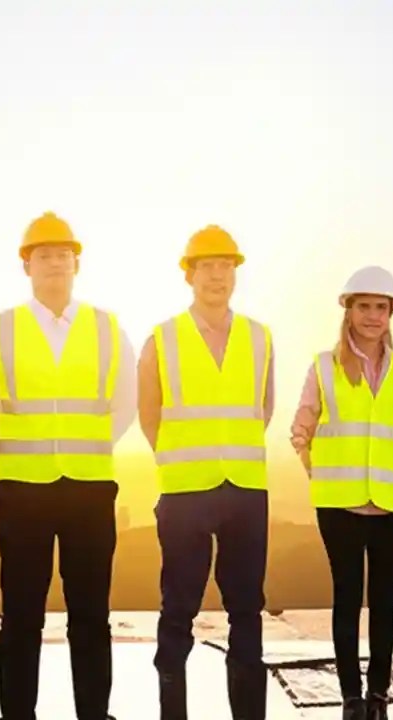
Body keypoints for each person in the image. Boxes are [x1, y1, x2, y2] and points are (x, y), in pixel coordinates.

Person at [0, 211, 136, 720]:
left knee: (91, 614)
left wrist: (83, 449)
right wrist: (25, 454)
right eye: (44, 255)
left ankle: (93, 713)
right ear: (27, 266)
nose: (55, 263)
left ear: (77, 263)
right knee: (21, 614)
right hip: (22, 489)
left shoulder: (107, 327)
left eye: (63, 255)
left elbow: (124, 402)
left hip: (89, 488)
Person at [139, 224, 274, 720]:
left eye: (225, 266)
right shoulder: (163, 338)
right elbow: (149, 416)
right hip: (185, 493)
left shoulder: (260, 337)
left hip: (245, 490)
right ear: (189, 275)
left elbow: (264, 408)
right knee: (178, 609)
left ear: (235, 273)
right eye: (207, 267)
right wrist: (181, 460)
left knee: (247, 608)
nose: (217, 276)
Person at [289, 266, 393, 720]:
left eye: (380, 307)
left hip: (390, 503)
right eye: (363, 306)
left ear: (391, 314)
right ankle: (351, 696)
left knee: (384, 602)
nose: (372, 316)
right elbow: (301, 429)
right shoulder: (324, 366)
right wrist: (321, 473)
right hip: (340, 505)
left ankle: (379, 695)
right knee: (347, 597)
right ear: (348, 311)